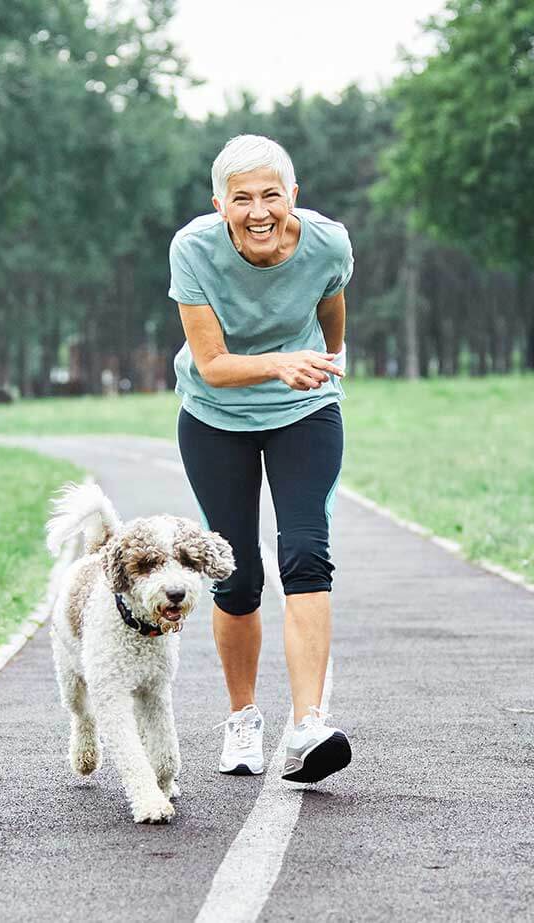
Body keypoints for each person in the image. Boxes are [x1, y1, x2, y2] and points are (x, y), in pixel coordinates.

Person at [169, 134, 353, 783]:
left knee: (306, 551)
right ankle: (243, 716)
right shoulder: (193, 249)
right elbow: (214, 365)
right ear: (220, 203)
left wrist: (329, 362)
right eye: (241, 198)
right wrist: (281, 362)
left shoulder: (328, 241)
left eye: (270, 194)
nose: (258, 210)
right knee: (237, 575)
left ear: (292, 195)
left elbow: (331, 304)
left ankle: (308, 726)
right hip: (215, 417)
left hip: (306, 410)